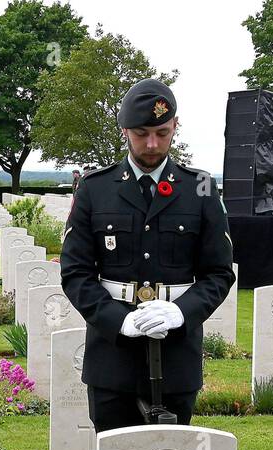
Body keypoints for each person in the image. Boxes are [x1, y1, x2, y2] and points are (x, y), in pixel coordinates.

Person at [60, 78, 234, 431]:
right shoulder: (96, 188)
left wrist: (180, 312)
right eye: (142, 133)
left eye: (162, 132)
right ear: (124, 130)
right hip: (112, 355)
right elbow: (75, 272)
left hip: (177, 353)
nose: (153, 144)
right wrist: (116, 319)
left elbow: (219, 273)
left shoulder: (200, 188)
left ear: (175, 127)